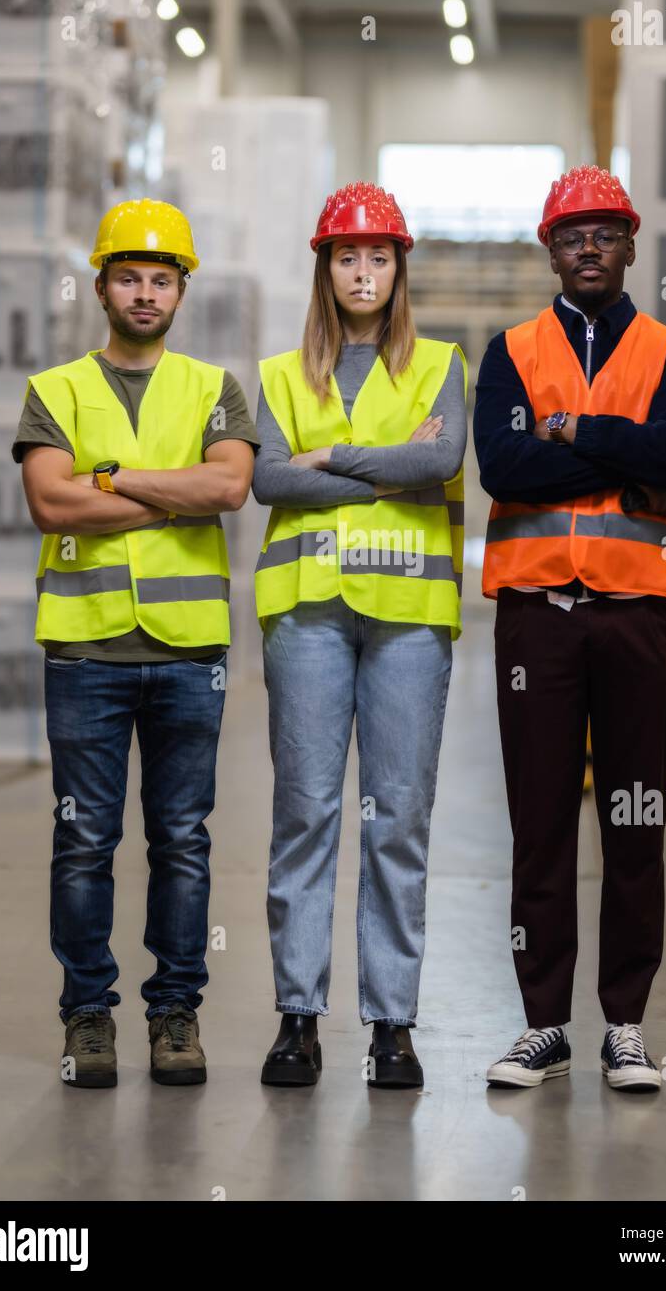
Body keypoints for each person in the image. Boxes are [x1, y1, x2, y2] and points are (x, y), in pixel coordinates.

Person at [473, 166, 666, 1092]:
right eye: (571, 234)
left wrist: (568, 430)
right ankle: (542, 1024)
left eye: (604, 233)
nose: (587, 247)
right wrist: (613, 447)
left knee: (633, 822)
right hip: (539, 619)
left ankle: (623, 1024)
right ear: (549, 248)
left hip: (638, 617)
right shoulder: (510, 350)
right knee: (539, 825)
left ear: (628, 246)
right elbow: (504, 465)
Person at [12, 198, 259, 1088]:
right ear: (102, 286)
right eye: (129, 277)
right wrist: (167, 493)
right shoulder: (56, 389)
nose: (145, 292)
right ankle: (87, 1014)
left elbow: (229, 490)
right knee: (83, 841)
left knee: (182, 839)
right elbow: (52, 503)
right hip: (85, 649)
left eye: (161, 278)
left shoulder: (213, 388)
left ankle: (174, 1015)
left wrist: (109, 478)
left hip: (190, 651)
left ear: (181, 291)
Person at [252, 181, 467, 1089]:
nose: (364, 270)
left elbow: (442, 459)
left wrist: (330, 459)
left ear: (399, 267)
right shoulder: (277, 374)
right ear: (324, 267)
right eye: (348, 255)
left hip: (410, 622)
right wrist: (386, 471)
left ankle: (392, 1026)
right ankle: (298, 1019)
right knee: (305, 812)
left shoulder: (442, 363)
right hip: (305, 615)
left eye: (380, 256)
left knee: (398, 819)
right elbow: (267, 481)